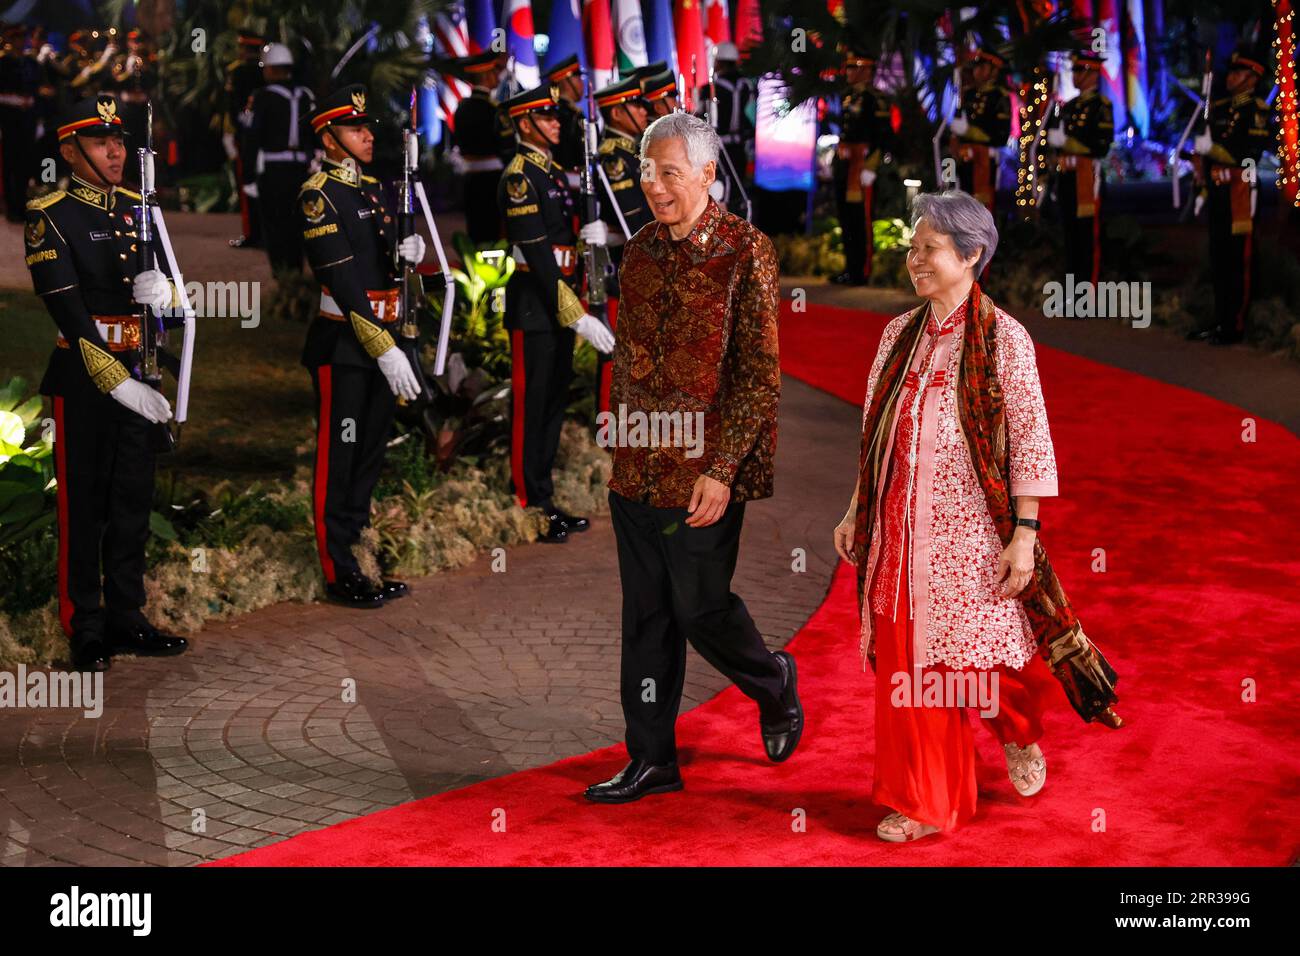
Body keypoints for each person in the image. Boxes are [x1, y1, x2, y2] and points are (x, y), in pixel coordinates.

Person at [833, 189, 1122, 842]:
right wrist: (857, 509)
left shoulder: (1004, 340)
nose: (915, 259)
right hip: (900, 535)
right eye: (913, 248)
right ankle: (924, 800)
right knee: (911, 669)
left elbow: (1031, 438)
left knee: (979, 671)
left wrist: (1026, 535)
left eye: (929, 248)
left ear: (970, 255)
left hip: (969, 536)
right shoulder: (896, 335)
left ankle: (1019, 732)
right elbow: (876, 434)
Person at [585, 112, 802, 804]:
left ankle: (773, 681)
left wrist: (723, 468)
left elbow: (757, 374)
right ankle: (652, 759)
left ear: (708, 174)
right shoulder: (642, 250)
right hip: (639, 470)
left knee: (701, 609)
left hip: (705, 473)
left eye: (668, 172)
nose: (652, 185)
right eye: (646, 171)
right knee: (645, 619)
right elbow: (632, 365)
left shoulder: (747, 251)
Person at [22, 94, 190, 671]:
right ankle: (85, 625)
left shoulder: (138, 210)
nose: (117, 150)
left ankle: (126, 615)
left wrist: (165, 294)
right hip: (86, 380)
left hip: (141, 369)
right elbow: (69, 314)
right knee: (84, 506)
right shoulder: (51, 215)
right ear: (70, 151)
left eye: (119, 140)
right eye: (101, 142)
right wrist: (120, 385)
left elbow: (166, 290)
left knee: (131, 501)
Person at [298, 85, 425, 607]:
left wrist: (407, 252)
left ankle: (360, 556)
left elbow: (384, 269)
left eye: (369, 127)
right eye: (356, 129)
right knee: (340, 455)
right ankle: (338, 569)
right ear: (329, 137)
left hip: (383, 340)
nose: (369, 135)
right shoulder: (318, 195)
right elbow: (344, 281)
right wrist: (383, 347)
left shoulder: (375, 190)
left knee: (370, 454)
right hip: (345, 345)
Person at [498, 83, 615, 542]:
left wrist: (591, 232)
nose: (555, 125)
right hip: (534, 305)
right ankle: (528, 501)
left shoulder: (553, 173)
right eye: (546, 119)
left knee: (551, 405)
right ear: (525, 123)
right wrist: (576, 314)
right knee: (531, 408)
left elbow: (562, 248)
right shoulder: (519, 177)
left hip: (557, 304)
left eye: (556, 119)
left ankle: (543, 497)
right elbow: (539, 258)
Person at [1186, 49, 1273, 346]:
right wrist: (1201, 160)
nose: (1231, 77)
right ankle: (1220, 319)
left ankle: (1234, 325)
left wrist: (1214, 150)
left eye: (1238, 73)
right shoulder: (1220, 107)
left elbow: (1248, 153)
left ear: (1252, 78)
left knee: (1238, 259)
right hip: (1219, 190)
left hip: (1240, 191)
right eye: (1232, 72)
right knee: (1219, 258)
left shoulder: (1256, 110)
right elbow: (1207, 153)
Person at [242, 42, 315, 274]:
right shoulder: (306, 95)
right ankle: (296, 271)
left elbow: (252, 138)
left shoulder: (262, 97)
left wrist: (249, 177)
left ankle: (283, 274)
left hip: (273, 171)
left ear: (272, 69)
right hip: (302, 168)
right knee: (297, 225)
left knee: (275, 226)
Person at [1047, 51, 1113, 291]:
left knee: (1087, 236)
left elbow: (1102, 145)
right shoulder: (1069, 106)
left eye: (1079, 70)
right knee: (1070, 235)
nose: (1074, 75)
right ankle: (1072, 292)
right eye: (1073, 70)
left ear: (1092, 73)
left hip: (1087, 175)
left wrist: (1068, 143)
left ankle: (1086, 296)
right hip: (1067, 175)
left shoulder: (1101, 106)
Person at [831, 48, 894, 285]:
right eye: (848, 67)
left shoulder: (875, 99)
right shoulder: (848, 96)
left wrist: (872, 166)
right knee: (846, 217)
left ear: (867, 70)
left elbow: (883, 136)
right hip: (846, 162)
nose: (848, 71)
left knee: (861, 219)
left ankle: (862, 270)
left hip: (862, 165)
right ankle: (850, 267)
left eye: (853, 66)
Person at [443, 51, 515, 244]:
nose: (497, 77)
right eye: (495, 71)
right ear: (486, 74)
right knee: (494, 233)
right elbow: (508, 148)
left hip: (470, 181)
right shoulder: (495, 111)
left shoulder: (461, 108)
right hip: (494, 181)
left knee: (476, 231)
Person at [948, 48, 1010, 215]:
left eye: (983, 67)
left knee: (981, 209)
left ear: (994, 71)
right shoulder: (968, 94)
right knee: (956, 202)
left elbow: (1001, 135)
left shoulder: (999, 96)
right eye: (976, 67)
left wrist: (969, 131)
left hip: (984, 162)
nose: (977, 71)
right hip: (961, 159)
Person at [223, 31, 265, 248]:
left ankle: (252, 234)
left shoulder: (237, 72)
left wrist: (238, 131)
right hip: (269, 139)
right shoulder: (265, 73)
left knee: (247, 184)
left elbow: (233, 108)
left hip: (247, 138)